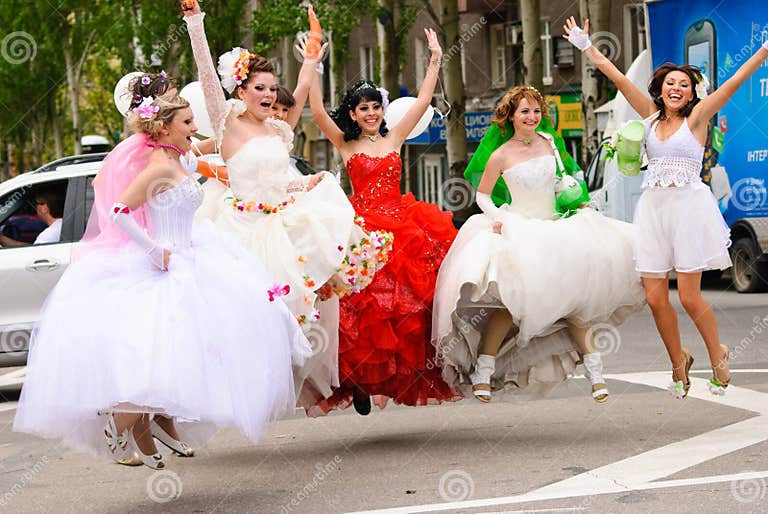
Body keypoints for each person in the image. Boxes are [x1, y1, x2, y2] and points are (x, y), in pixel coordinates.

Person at [13, 73, 311, 469]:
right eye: (187, 123)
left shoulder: (181, 157)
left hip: (197, 254)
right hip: (168, 263)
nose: (194, 128)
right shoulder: (158, 165)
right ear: (166, 127)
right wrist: (154, 250)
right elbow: (119, 211)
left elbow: (217, 145)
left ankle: (153, 428)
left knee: (194, 350)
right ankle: (119, 430)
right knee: (157, 357)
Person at [181, 1, 392, 409]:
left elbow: (281, 179)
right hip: (244, 231)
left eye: (271, 87)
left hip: (283, 224)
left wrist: (312, 54)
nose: (267, 94)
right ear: (240, 91)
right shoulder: (227, 123)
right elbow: (207, 74)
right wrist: (195, 22)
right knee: (251, 318)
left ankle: (326, 381)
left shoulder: (278, 129)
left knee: (304, 313)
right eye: (258, 87)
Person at [564, 17, 768, 398]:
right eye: (670, 83)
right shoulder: (650, 116)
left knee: (690, 297)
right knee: (657, 299)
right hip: (654, 211)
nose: (676, 88)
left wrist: (763, 51)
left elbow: (733, 85)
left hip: (689, 210)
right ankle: (679, 363)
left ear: (692, 93)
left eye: (684, 85)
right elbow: (621, 81)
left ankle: (718, 357)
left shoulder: (697, 118)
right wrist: (585, 46)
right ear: (660, 88)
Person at [432, 86, 646, 403]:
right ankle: (483, 372)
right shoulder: (500, 154)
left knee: (576, 305)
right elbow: (482, 196)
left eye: (536, 111)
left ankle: (595, 373)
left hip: (557, 227)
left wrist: (577, 196)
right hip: (520, 230)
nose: (532, 117)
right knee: (510, 306)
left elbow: (562, 179)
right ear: (511, 116)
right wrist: (495, 217)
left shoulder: (549, 143)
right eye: (525, 112)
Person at [305, 28, 462, 415]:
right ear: (354, 114)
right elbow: (318, 111)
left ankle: (399, 376)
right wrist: (315, 65)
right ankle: (357, 380)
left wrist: (436, 57)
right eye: (364, 108)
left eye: (376, 106)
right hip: (360, 232)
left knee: (408, 309)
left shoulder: (395, 139)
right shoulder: (345, 144)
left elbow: (425, 99)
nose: (372, 113)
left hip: (402, 228)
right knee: (359, 310)